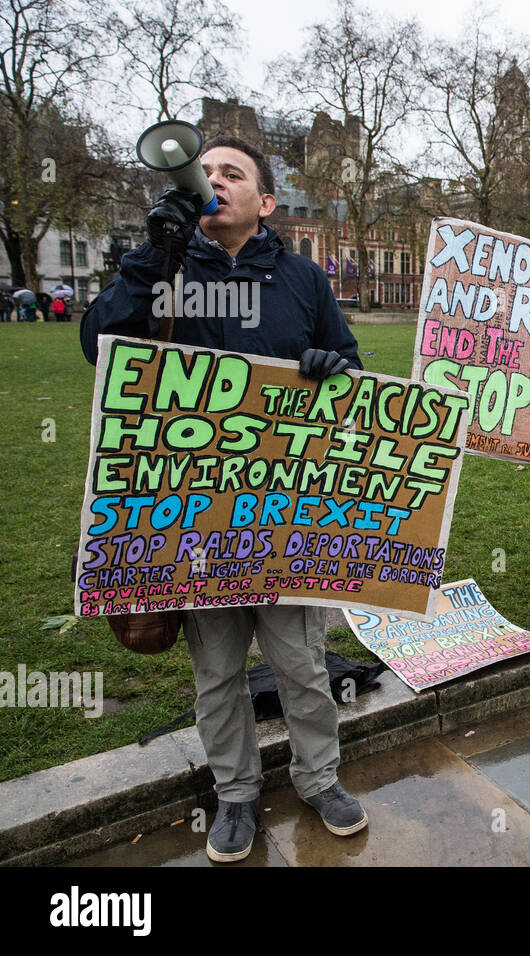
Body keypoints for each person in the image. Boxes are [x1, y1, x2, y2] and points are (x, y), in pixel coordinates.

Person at [81, 135, 366, 863]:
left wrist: (333, 368)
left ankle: (317, 777)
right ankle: (235, 792)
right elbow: (100, 342)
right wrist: (152, 256)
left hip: (281, 511)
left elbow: (353, 367)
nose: (212, 181)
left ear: (264, 202)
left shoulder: (302, 277)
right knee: (217, 672)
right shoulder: (166, 269)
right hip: (193, 517)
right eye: (203, 171)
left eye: (230, 173)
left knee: (301, 662)